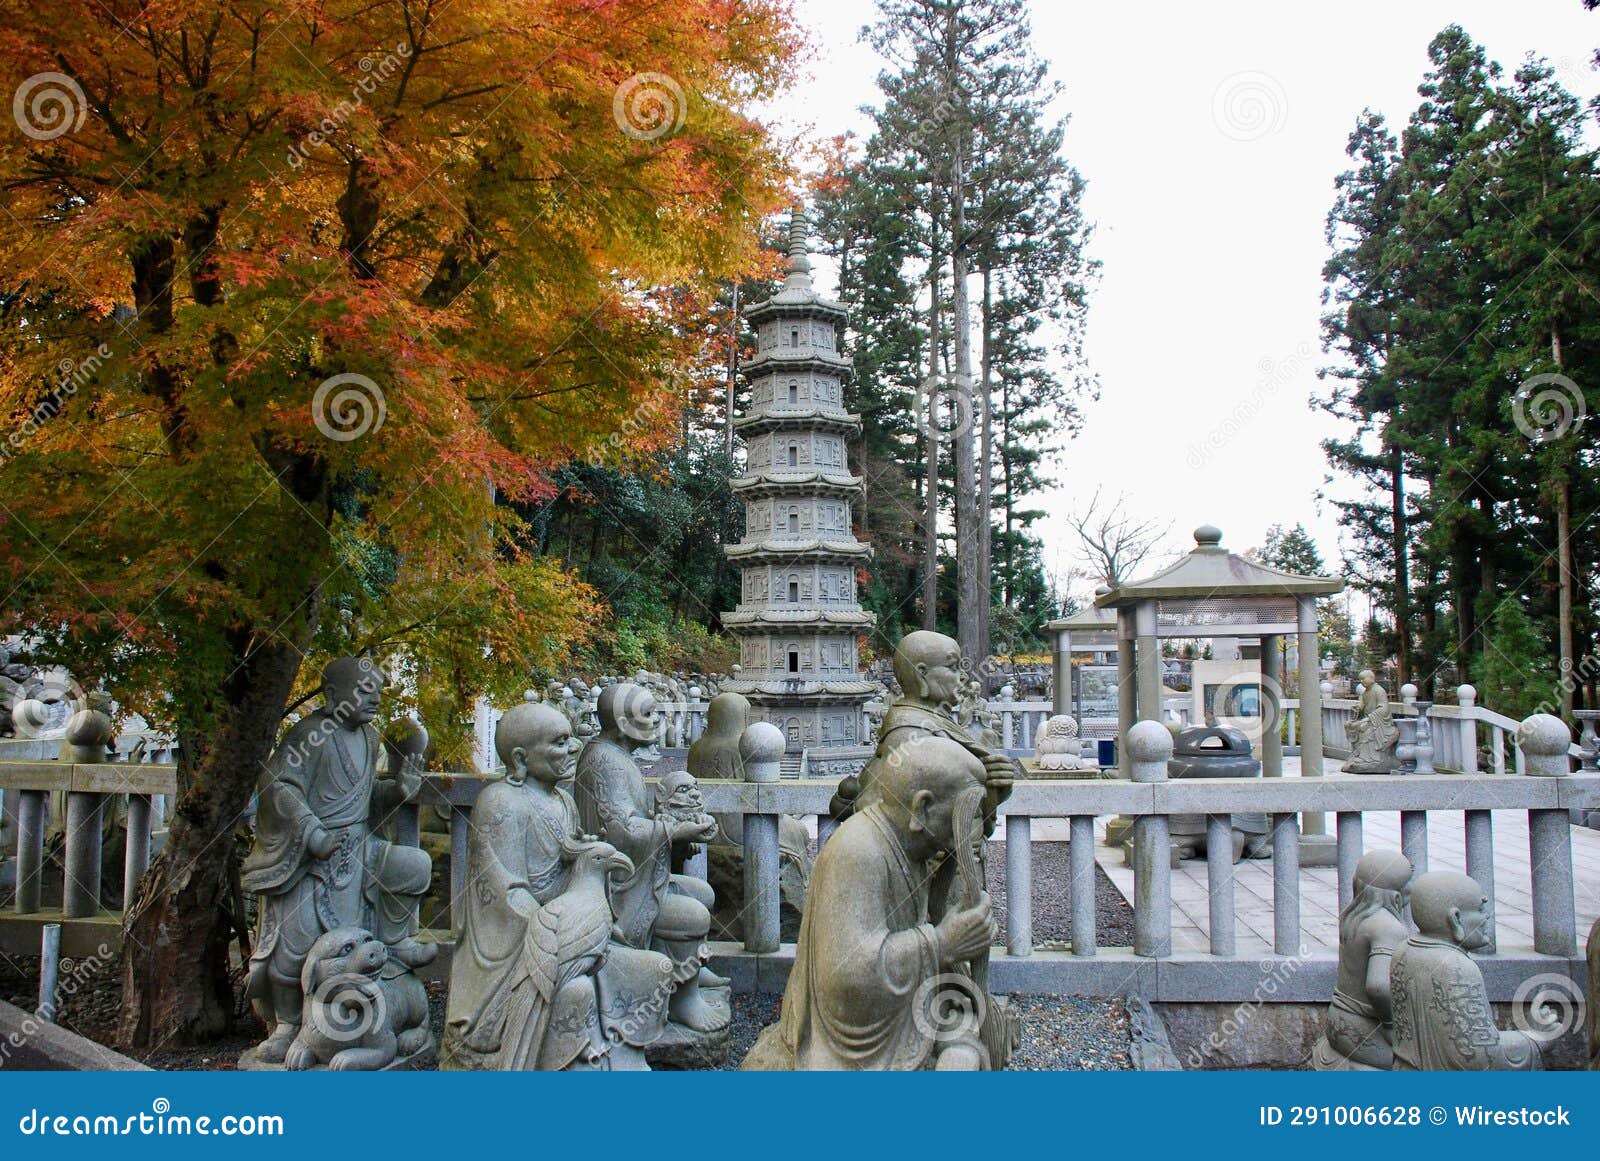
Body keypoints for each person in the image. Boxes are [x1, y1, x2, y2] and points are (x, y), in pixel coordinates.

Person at [742, 735, 1005, 1070]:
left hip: (901, 1006)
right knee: (960, 1053)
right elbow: (847, 974)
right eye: (960, 818)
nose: (966, 833)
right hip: (852, 1032)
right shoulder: (859, 851)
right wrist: (941, 944)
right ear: (922, 808)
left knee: (963, 1031)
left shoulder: (915, 847)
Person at [442, 702, 674, 1070]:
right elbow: (505, 896)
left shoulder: (563, 801)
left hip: (569, 930)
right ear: (520, 758)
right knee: (576, 988)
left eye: (571, 740)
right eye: (559, 742)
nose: (572, 749)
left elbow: (569, 866)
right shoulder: (501, 803)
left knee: (655, 969)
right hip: (524, 946)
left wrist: (585, 867)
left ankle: (620, 1057)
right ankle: (569, 1061)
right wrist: (562, 929)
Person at [242, 656, 434, 1063]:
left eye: (379, 693)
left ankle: (395, 945)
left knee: (414, 866)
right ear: (332, 697)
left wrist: (397, 791)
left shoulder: (369, 739)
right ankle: (289, 1025)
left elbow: (365, 805)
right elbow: (278, 786)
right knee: (292, 953)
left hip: (357, 850)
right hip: (307, 860)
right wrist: (312, 832)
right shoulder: (311, 735)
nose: (375, 700)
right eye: (365, 692)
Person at [573, 682, 725, 1032]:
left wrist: (677, 832)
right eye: (647, 713)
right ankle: (682, 1002)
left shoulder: (615, 756)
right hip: (617, 887)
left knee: (704, 893)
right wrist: (675, 830)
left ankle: (691, 970)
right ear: (623, 720)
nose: (656, 720)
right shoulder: (605, 761)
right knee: (692, 915)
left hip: (636, 873)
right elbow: (622, 831)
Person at [1390, 871, 1540, 1070]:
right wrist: (1533, 1040)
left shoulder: (1403, 950)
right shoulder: (1458, 968)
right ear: (1455, 918)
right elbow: (1478, 1056)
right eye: (1479, 909)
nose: (1486, 917)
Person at [1311, 850, 1412, 1070]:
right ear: (1397, 896)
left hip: (1338, 1018)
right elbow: (1378, 986)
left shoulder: (1352, 918)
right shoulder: (1389, 928)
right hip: (1366, 1028)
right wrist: (1390, 1024)